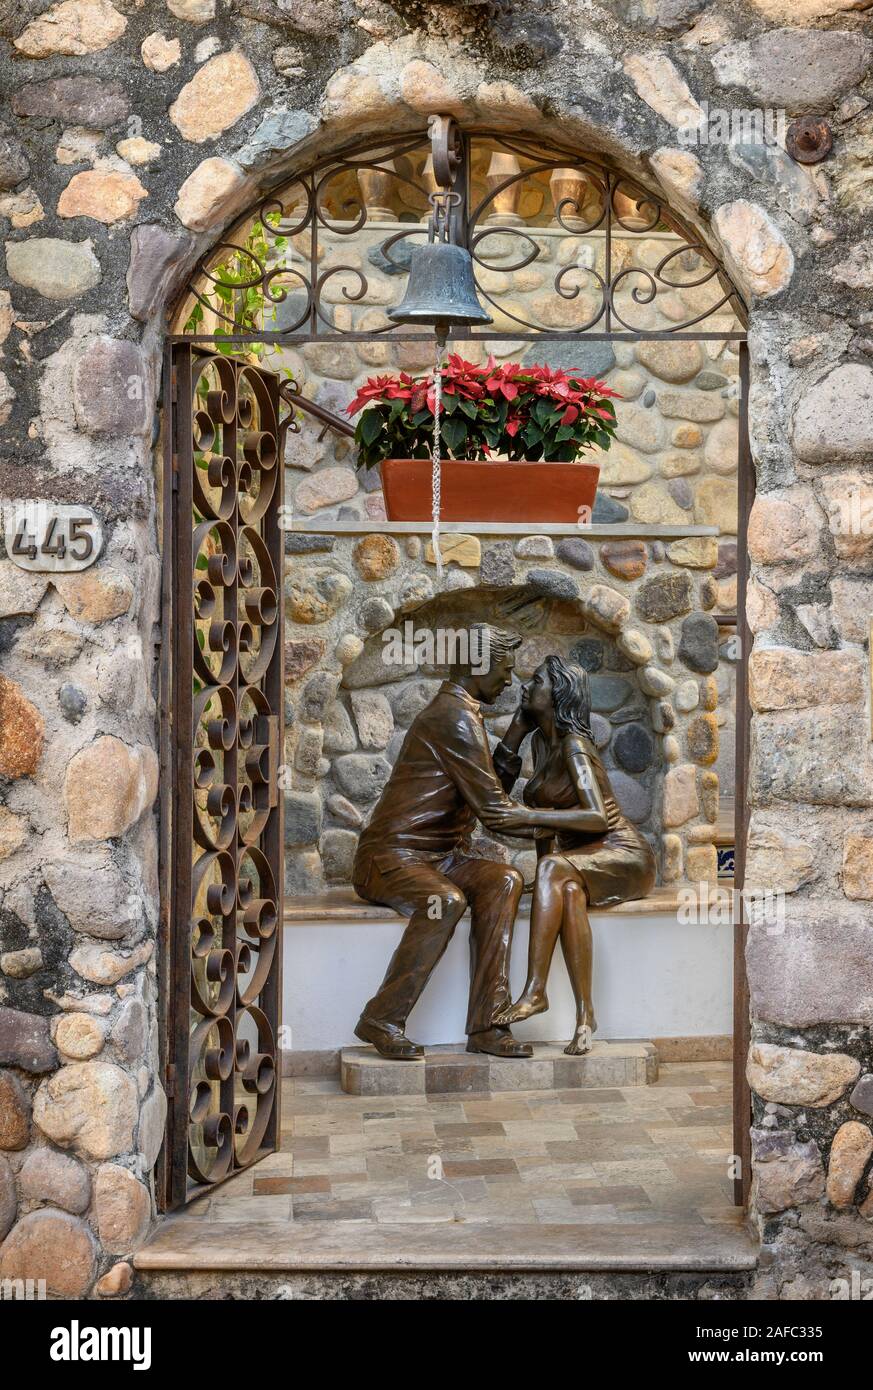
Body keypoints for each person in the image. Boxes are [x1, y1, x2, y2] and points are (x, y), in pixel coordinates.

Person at [353, 625, 610, 1060]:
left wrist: (515, 732)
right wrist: (568, 827)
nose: (510, 682)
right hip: (390, 857)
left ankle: (487, 1025)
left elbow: (484, 795)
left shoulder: (464, 713)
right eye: (504, 671)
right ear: (478, 665)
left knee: (504, 880)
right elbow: (493, 812)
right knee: (446, 901)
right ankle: (382, 1018)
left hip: (440, 857)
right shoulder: (452, 717)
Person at [495, 655, 657, 1055]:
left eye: (536, 682)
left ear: (558, 694)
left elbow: (598, 817)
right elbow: (505, 798)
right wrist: (516, 729)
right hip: (582, 860)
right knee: (564, 893)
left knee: (553, 870)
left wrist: (528, 815)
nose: (525, 687)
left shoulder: (574, 746)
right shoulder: (539, 742)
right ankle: (586, 1018)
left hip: (623, 854)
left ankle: (535, 990)